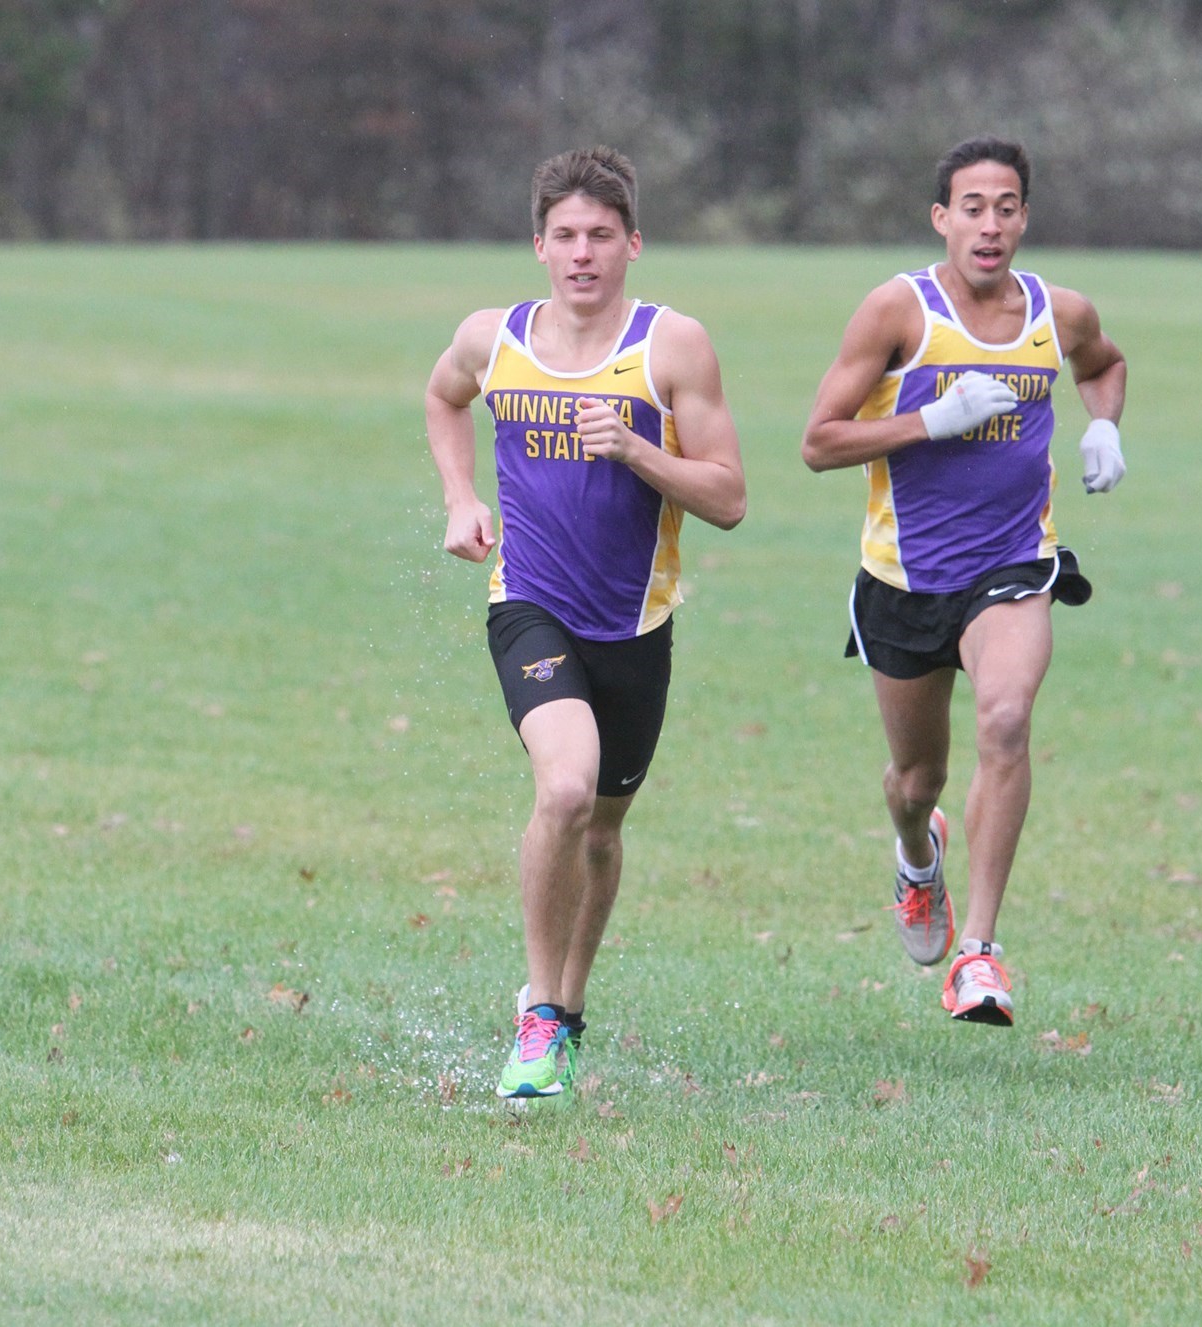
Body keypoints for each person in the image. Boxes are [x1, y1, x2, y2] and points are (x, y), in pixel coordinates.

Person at [425, 146, 746, 1097]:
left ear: (633, 244)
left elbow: (728, 497)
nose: (582, 253)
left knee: (602, 831)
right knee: (563, 791)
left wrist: (644, 452)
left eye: (601, 235)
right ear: (538, 246)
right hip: (529, 604)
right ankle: (534, 1009)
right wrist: (459, 497)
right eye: (564, 235)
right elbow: (445, 397)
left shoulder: (671, 347)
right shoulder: (493, 338)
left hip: (635, 627)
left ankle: (566, 1009)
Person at [800, 136, 1127, 1026]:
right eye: (972, 207)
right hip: (905, 579)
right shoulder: (895, 312)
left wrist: (1104, 427)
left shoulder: (1057, 312)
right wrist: (929, 419)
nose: (991, 224)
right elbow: (819, 441)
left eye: (1007, 206)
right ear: (941, 218)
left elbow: (1102, 365)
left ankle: (978, 954)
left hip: (1015, 563)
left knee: (1008, 718)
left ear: (1025, 216)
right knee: (916, 778)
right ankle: (918, 854)